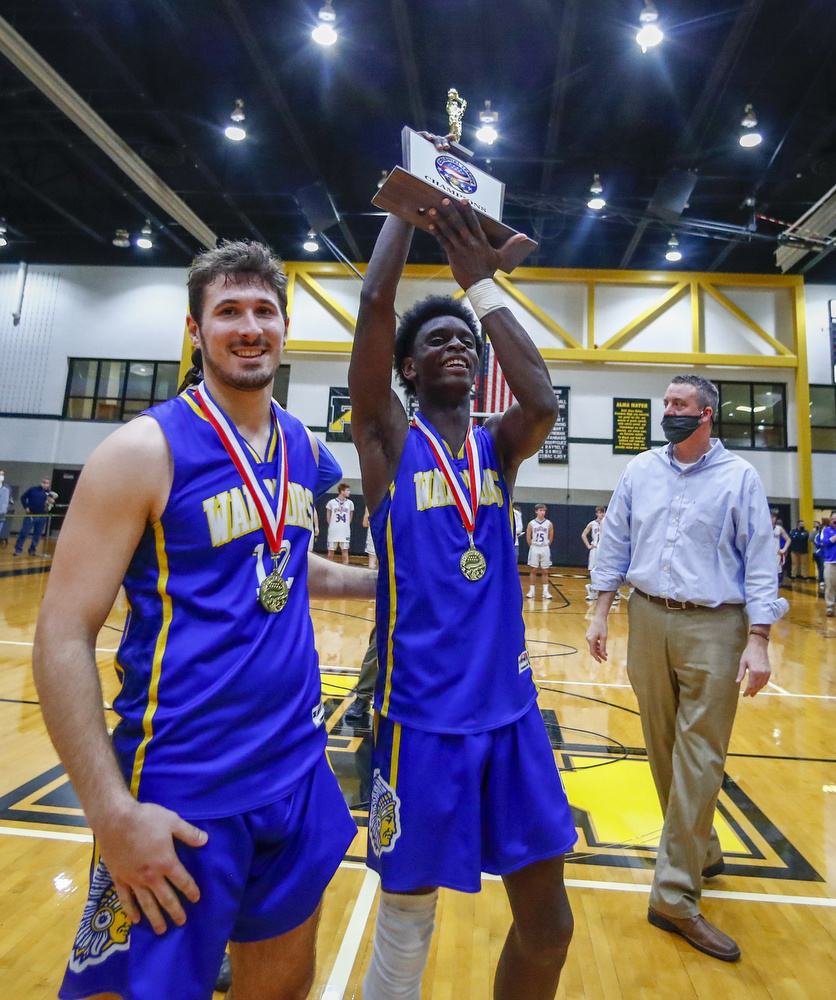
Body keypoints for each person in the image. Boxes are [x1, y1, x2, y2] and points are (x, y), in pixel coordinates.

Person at [32, 240, 377, 1000]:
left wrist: (382, 586)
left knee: (281, 985)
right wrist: (110, 813)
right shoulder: (140, 451)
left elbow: (283, 570)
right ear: (195, 330)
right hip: (181, 789)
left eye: (264, 310)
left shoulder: (298, 445)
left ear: (286, 326)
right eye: (228, 311)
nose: (249, 327)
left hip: (294, 767)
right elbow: (62, 631)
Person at [349, 162, 576, 1000]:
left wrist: (480, 287)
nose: (457, 347)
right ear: (407, 370)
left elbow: (543, 395)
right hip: (419, 719)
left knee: (550, 926)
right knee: (408, 924)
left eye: (467, 344)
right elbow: (376, 309)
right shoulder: (388, 444)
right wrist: (407, 211)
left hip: (511, 715)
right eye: (437, 341)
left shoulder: (498, 450)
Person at [586, 374, 788, 963]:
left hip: (716, 626)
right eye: (664, 402)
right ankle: (703, 848)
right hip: (648, 618)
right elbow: (615, 541)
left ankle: (673, 894)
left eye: (677, 404)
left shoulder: (740, 479)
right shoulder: (640, 471)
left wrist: (759, 639)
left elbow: (758, 561)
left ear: (705, 415)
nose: (666, 411)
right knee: (660, 747)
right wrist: (600, 612)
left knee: (701, 755)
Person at [13, 476, 52, 556]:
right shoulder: (33, 490)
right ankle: (18, 549)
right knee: (24, 532)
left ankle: (32, 550)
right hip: (31, 515)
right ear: (41, 482)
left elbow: (50, 505)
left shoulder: (49, 493)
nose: (45, 484)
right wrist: (26, 507)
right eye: (44, 482)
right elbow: (23, 497)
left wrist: (51, 501)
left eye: (47, 483)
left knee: (37, 534)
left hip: (42, 516)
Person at [525, 503, 553, 600]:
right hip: (535, 547)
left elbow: (551, 537)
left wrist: (546, 544)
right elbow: (528, 537)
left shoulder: (548, 523)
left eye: (544, 510)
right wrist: (532, 546)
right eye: (540, 510)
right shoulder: (531, 523)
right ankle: (531, 591)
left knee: (545, 570)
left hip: (545, 547)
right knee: (533, 569)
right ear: (536, 511)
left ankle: (545, 591)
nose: (542, 512)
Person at [581, 506, 606, 601]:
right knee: (592, 569)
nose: (602, 514)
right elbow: (583, 534)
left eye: (603, 512)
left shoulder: (607, 523)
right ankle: (593, 590)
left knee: (604, 569)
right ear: (596, 513)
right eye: (600, 512)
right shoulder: (592, 524)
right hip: (595, 548)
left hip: (603, 549)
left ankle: (595, 588)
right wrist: (588, 545)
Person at [325, 482, 354, 563]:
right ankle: (327, 572)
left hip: (344, 532)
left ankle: (346, 573)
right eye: (347, 490)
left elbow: (350, 518)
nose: (349, 492)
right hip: (333, 531)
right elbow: (328, 518)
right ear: (342, 491)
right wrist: (333, 526)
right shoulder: (331, 503)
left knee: (345, 554)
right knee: (330, 554)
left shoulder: (350, 503)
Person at [820, 511, 836, 616]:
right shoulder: (826, 531)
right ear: (831, 521)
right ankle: (830, 607)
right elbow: (824, 543)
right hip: (830, 562)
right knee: (830, 585)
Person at [772, 513, 790, 586]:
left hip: (776, 554)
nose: (772, 519)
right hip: (765, 555)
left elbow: (788, 539)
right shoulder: (763, 527)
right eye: (771, 517)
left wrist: (784, 549)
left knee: (777, 574)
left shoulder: (779, 528)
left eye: (773, 517)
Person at [0, 469, 13, 544]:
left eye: (2, 474)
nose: (1, 476)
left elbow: (10, 500)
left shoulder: (7, 488)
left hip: (1, 515)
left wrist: (5, 510)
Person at [812, 519, 825, 592]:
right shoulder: (817, 536)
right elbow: (817, 544)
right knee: (821, 567)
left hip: (828, 554)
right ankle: (822, 580)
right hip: (819, 554)